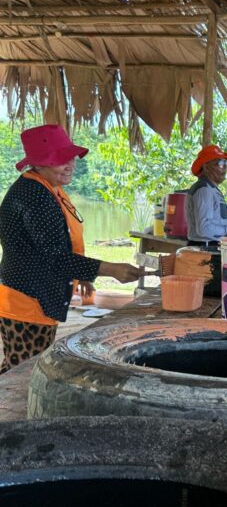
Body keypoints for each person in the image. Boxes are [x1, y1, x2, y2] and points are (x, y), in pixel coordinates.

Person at [0, 125, 145, 373]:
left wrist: (82, 274)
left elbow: (63, 242)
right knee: (21, 368)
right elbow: (55, 258)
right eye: (59, 160)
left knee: (29, 363)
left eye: (70, 157)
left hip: (37, 290)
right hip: (27, 295)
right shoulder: (34, 195)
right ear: (38, 163)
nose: (70, 165)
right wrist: (108, 268)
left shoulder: (49, 188)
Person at [185, 144, 227, 246]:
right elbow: (204, 229)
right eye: (220, 163)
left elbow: (213, 222)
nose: (225, 167)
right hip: (203, 248)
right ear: (206, 167)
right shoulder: (204, 190)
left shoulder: (211, 189)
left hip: (208, 247)